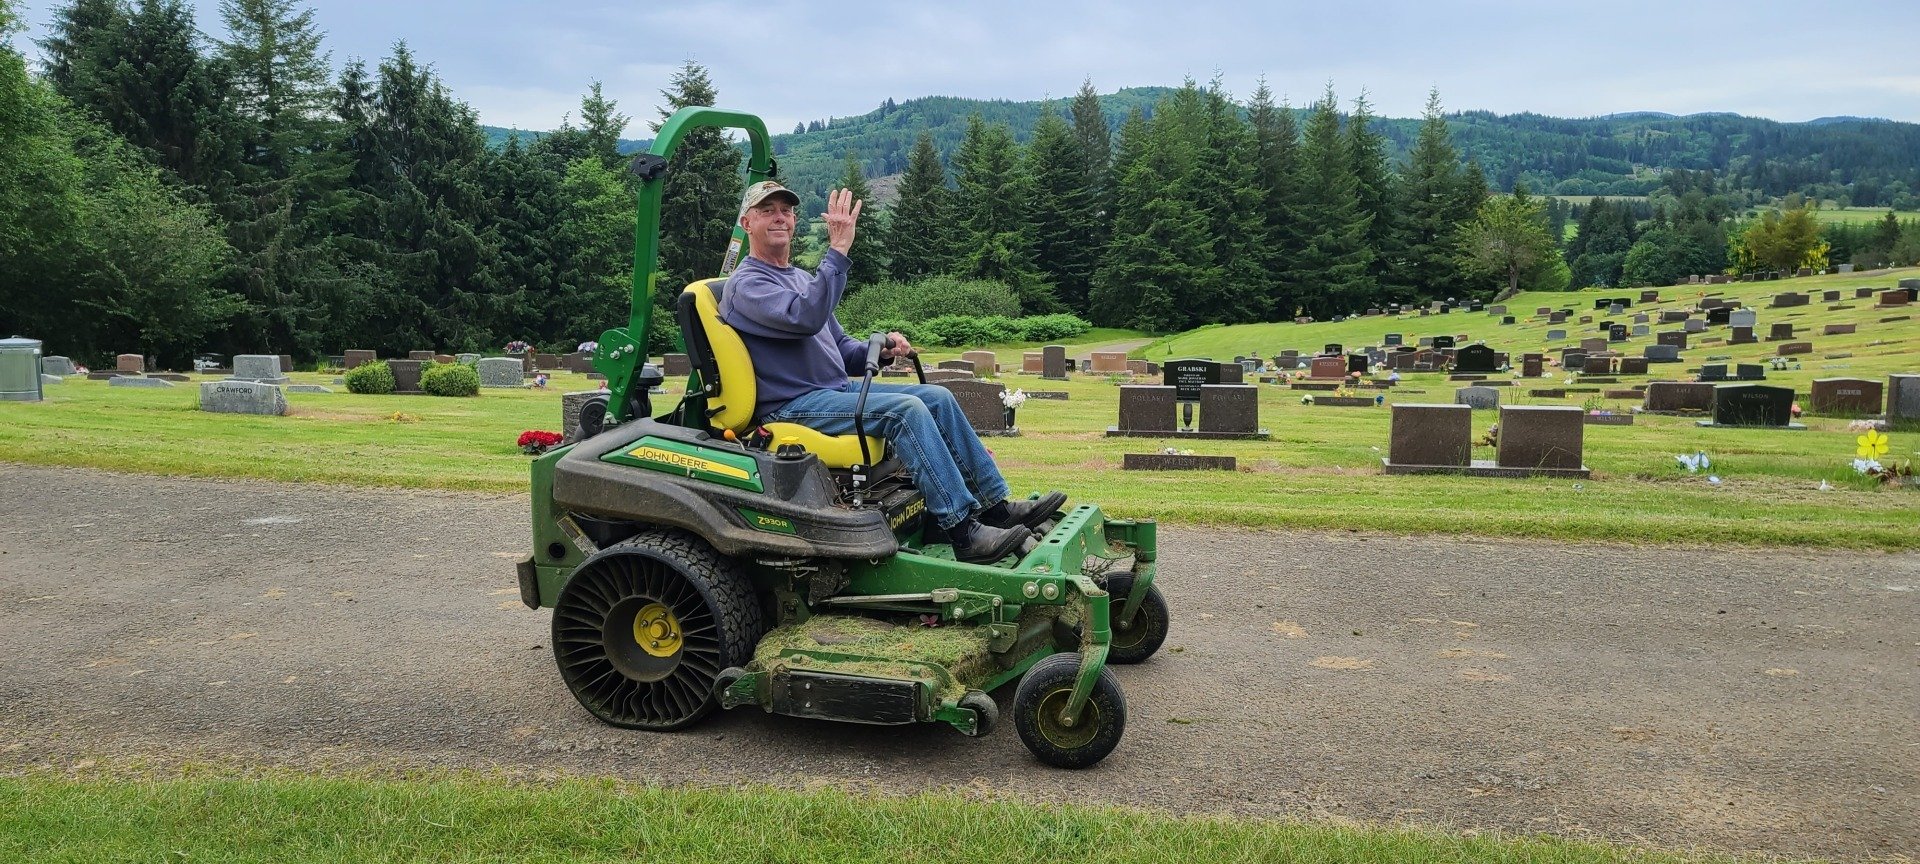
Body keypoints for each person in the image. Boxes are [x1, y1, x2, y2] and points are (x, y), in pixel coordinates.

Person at [719, 181, 1063, 564]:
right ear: (747, 224)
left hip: (831, 390)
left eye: (786, 209)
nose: (780, 217)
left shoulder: (800, 278)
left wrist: (879, 352)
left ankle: (994, 509)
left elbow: (843, 348)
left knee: (938, 397)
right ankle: (963, 532)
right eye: (768, 211)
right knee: (905, 411)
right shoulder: (747, 285)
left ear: (795, 219)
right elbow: (806, 317)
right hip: (791, 404)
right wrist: (838, 250)